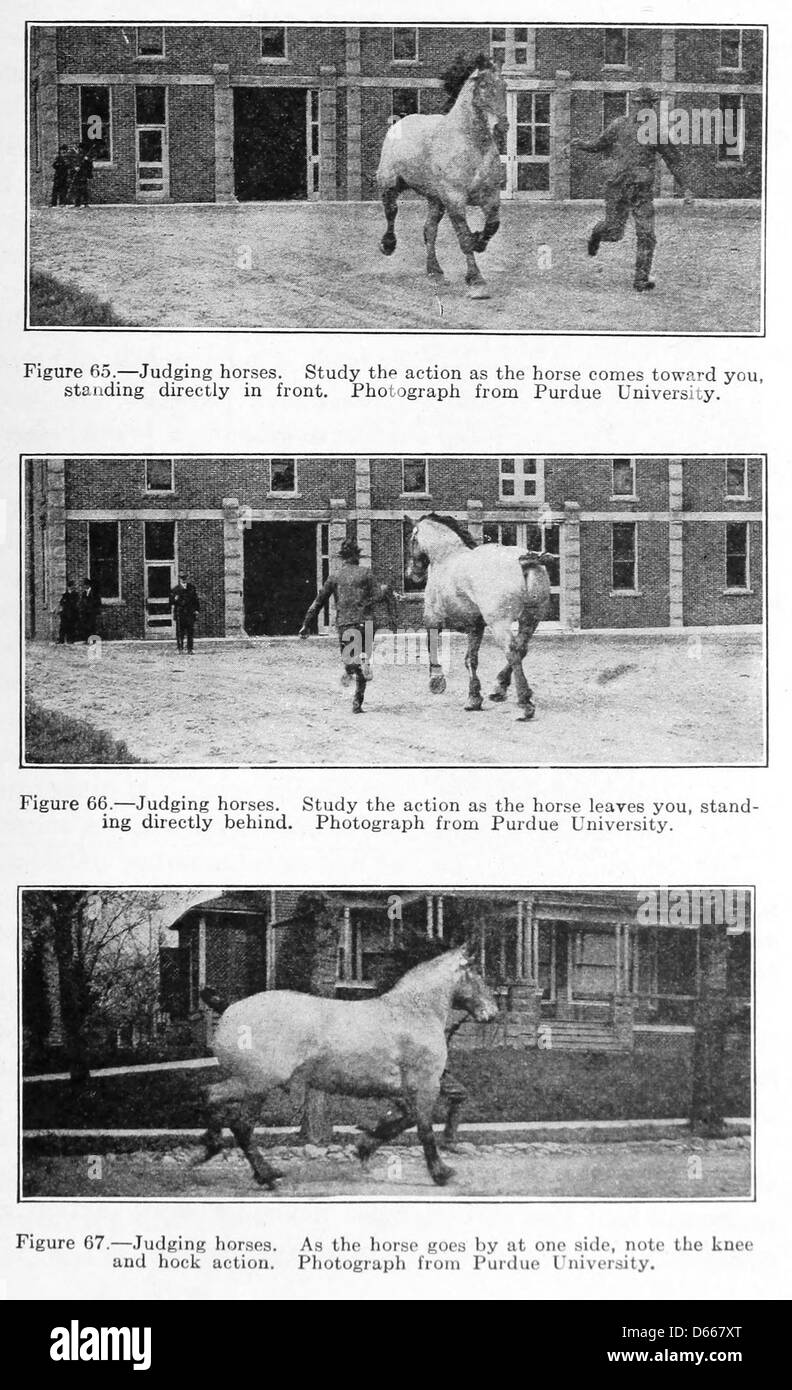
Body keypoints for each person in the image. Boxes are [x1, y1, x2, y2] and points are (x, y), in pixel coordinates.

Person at [572, 86, 692, 292]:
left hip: (642, 191)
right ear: (633, 104)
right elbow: (599, 144)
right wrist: (581, 144)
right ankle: (597, 234)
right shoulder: (619, 124)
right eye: (639, 103)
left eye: (649, 104)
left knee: (646, 234)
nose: (644, 108)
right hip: (617, 188)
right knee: (614, 232)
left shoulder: (656, 131)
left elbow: (674, 160)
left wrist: (687, 188)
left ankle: (641, 280)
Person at [299, 538, 398, 713]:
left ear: (342, 558)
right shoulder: (367, 573)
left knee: (349, 659)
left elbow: (318, 602)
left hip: (346, 624)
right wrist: (385, 590)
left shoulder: (335, 576)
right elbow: (378, 595)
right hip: (366, 623)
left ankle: (353, 666)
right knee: (364, 657)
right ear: (357, 557)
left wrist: (306, 624)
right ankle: (357, 704)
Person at [170, 576, 200, 654]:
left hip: (190, 613)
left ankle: (190, 649)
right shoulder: (175, 589)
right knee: (180, 632)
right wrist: (174, 599)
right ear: (179, 579)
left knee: (190, 631)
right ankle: (180, 649)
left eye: (185, 578)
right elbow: (170, 602)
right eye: (182, 578)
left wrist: (197, 610)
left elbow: (196, 600)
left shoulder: (191, 588)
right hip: (180, 613)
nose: (183, 580)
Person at [77, 576, 101, 642]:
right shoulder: (84, 593)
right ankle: (87, 639)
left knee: (92, 626)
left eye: (84, 585)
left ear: (88, 585)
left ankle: (93, 640)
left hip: (92, 612)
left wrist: (92, 607)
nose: (83, 587)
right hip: (85, 612)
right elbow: (82, 602)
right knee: (86, 626)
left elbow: (98, 602)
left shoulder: (94, 593)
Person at [71, 142, 94, 208]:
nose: (80, 150)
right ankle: (77, 203)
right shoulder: (77, 155)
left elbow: (90, 164)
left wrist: (87, 160)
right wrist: (75, 168)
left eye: (81, 148)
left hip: (83, 174)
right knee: (77, 189)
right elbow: (73, 163)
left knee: (84, 189)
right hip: (78, 174)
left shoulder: (85, 156)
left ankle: (85, 203)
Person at [56, 579, 79, 644]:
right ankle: (61, 640)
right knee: (62, 627)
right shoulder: (65, 595)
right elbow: (61, 603)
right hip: (65, 613)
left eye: (72, 586)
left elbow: (75, 603)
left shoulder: (75, 595)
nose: (71, 588)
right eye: (70, 586)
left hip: (72, 613)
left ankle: (70, 640)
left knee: (71, 627)